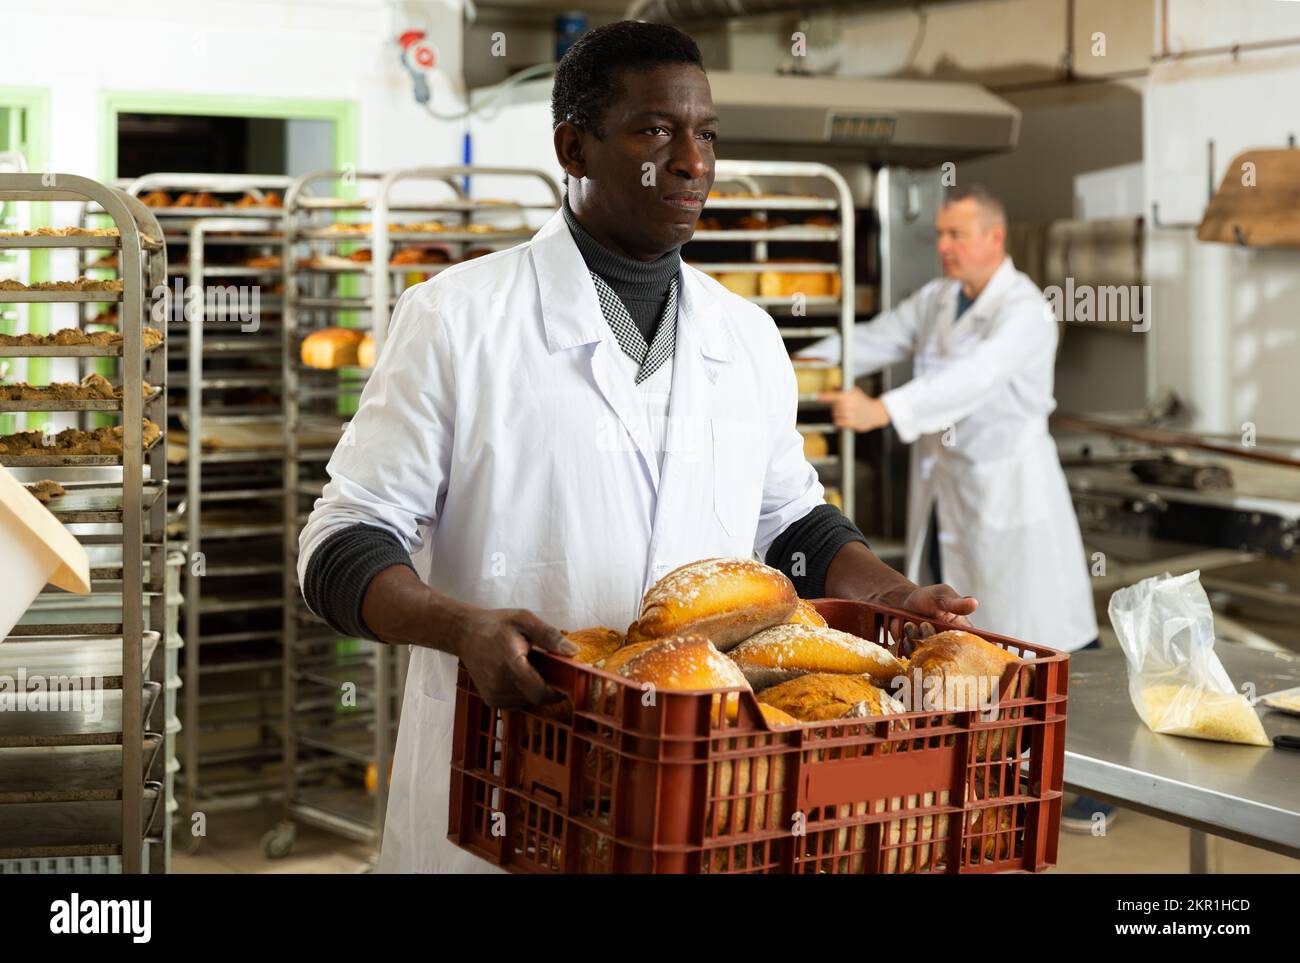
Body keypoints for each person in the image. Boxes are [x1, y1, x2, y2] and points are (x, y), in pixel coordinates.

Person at [297, 20, 980, 874]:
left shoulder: (748, 335)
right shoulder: (455, 319)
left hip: (709, 797)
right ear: (572, 148)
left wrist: (893, 595)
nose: (693, 162)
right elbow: (340, 545)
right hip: (503, 790)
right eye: (657, 131)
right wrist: (462, 627)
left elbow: (793, 523)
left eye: (707, 134)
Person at [803, 184, 1110, 832]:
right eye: (939, 235)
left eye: (956, 235)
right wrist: (791, 352)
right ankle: (992, 767)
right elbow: (875, 338)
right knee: (963, 632)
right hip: (949, 496)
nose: (943, 247)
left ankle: (1084, 779)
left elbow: (972, 378)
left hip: (1009, 493)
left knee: (1044, 637)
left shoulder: (1024, 311)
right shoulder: (940, 298)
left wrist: (886, 409)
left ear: (994, 238)